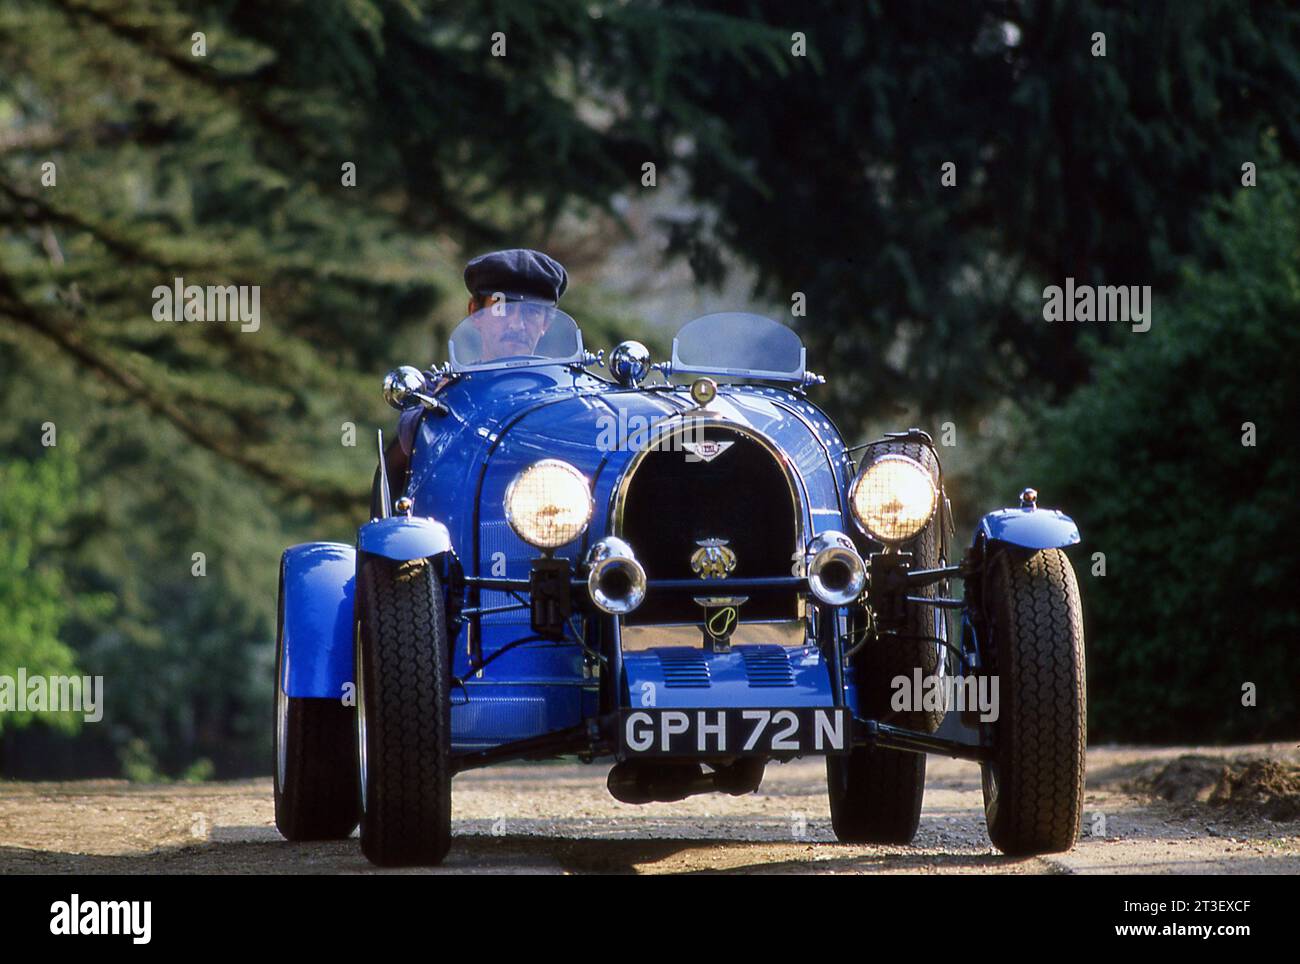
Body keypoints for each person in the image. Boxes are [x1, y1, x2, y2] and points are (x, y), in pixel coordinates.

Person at [372, 249, 569, 515]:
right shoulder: (443, 389)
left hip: (551, 525)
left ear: (546, 323)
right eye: (502, 308)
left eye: (531, 313)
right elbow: (410, 436)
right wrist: (438, 405)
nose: (517, 324)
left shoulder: (566, 395)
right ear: (475, 312)